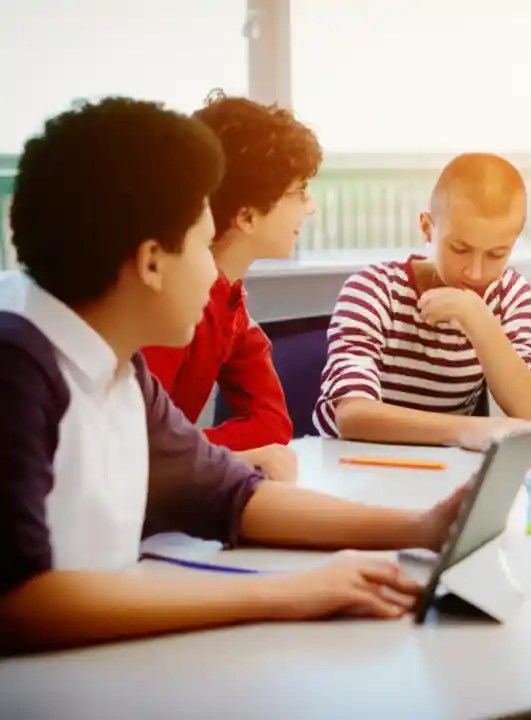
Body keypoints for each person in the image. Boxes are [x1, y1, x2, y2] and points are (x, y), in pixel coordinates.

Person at [0, 98, 470, 654]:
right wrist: (283, 594)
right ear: (151, 262)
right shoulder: (17, 369)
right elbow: (17, 600)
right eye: (203, 245)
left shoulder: (120, 371)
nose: (213, 271)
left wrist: (421, 527)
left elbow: (233, 496)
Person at [142, 92, 322, 483]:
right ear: (247, 217)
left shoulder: (229, 300)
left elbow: (273, 425)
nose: (310, 207)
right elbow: (141, 449)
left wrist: (194, 450)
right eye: (299, 191)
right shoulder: (165, 304)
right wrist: (211, 453)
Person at [314, 153, 531, 449]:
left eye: (496, 254)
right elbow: (351, 415)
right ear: (427, 228)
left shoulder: (510, 294)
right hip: (360, 462)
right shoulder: (374, 289)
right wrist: (468, 430)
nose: (475, 272)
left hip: (446, 466)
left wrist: (477, 318)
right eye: (460, 248)